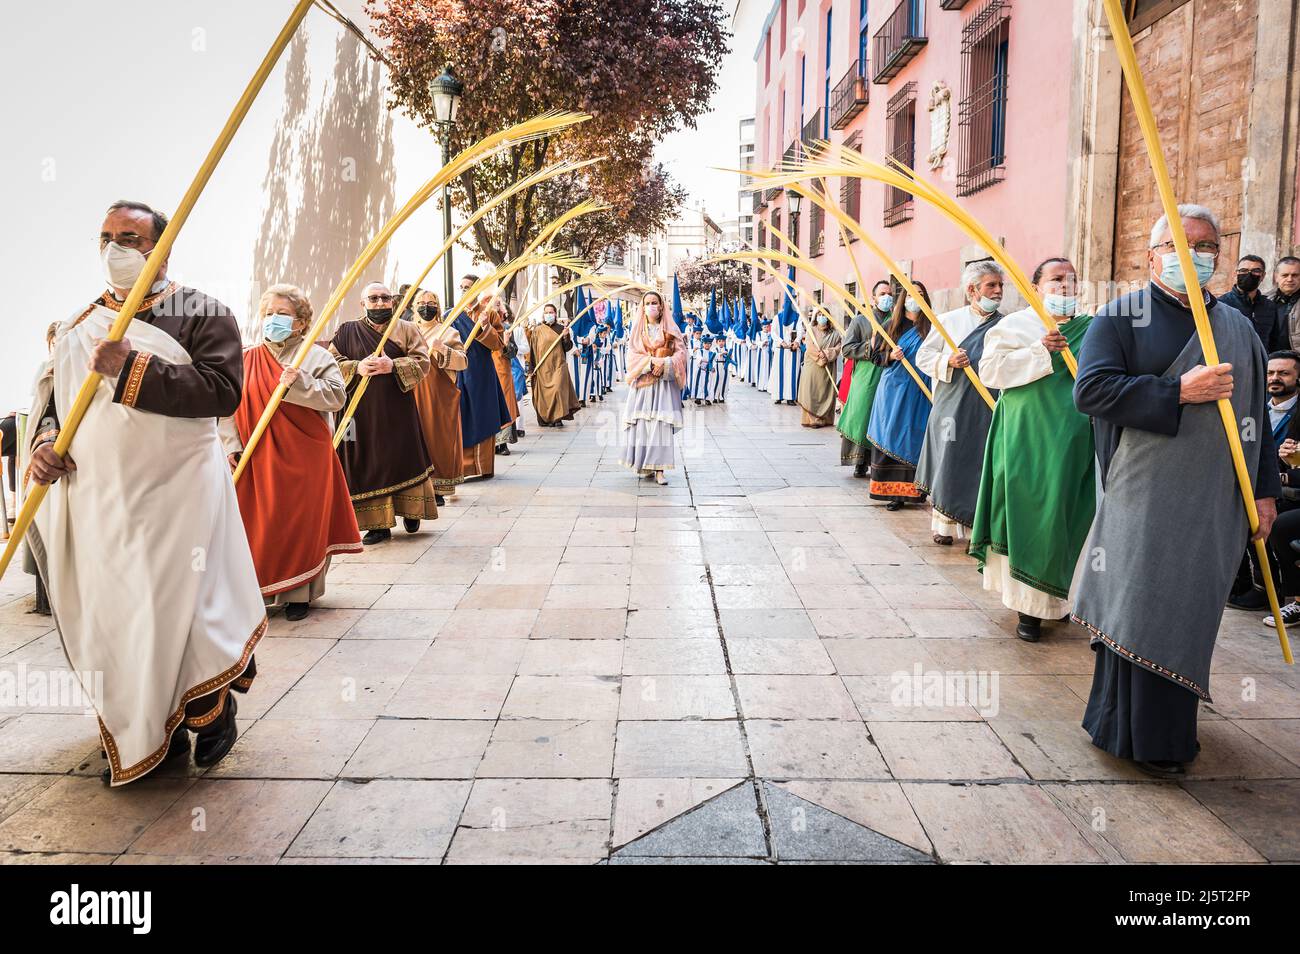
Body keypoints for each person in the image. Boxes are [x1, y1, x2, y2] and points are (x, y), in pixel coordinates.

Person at [25, 199, 264, 785]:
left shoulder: (204, 314)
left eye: (130, 238)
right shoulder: (81, 325)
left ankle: (210, 715)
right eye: (106, 236)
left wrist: (134, 365)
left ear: (162, 247)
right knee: (125, 619)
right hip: (104, 503)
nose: (115, 248)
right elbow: (55, 404)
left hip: (178, 499)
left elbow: (220, 392)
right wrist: (46, 442)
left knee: (179, 610)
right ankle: (147, 732)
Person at [1073, 203, 1278, 778]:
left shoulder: (1237, 326)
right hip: (1144, 495)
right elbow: (1090, 392)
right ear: (1152, 255)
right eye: (1181, 245)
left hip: (1213, 501)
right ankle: (1126, 730)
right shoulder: (1122, 315)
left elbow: (1256, 415)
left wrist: (1263, 494)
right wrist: (1176, 392)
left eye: (1208, 245)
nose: (1196, 255)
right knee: (1138, 605)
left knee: (1188, 613)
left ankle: (1171, 731)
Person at [968, 259, 1095, 642]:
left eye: (1072, 279)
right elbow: (990, 373)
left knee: (1070, 514)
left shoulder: (1095, 328)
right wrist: (1041, 351)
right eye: (1056, 279)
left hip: (1077, 438)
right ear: (1036, 286)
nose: (1065, 285)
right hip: (1025, 436)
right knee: (1030, 514)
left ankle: (1064, 601)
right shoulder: (1014, 326)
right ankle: (1030, 609)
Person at [222, 284, 361, 622]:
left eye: (282, 314)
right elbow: (229, 408)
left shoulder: (315, 357)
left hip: (306, 458)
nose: (273, 320)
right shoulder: (245, 359)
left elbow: (336, 398)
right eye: (269, 314)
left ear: (300, 322)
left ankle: (300, 593)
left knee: (300, 523)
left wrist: (298, 384)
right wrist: (231, 446)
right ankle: (263, 588)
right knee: (261, 523)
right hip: (256, 455)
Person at [330, 282, 439, 544]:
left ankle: (410, 510)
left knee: (402, 456)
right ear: (363, 304)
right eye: (374, 299)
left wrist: (393, 365)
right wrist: (357, 367)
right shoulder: (346, 331)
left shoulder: (406, 329)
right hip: (358, 411)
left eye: (384, 298)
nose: (379, 303)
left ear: (392, 301)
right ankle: (377, 525)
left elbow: (423, 362)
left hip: (396, 408)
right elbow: (332, 362)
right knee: (364, 460)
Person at [915, 262, 1005, 545]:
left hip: (987, 404)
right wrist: (948, 361)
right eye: (991, 285)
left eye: (1000, 285)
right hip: (952, 405)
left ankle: (976, 527)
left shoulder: (1006, 323)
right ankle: (942, 525)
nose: (998, 291)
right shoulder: (949, 321)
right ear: (972, 290)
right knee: (949, 461)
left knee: (979, 462)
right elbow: (923, 357)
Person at [864, 283, 934, 509]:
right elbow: (875, 357)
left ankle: (915, 490)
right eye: (912, 295)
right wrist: (891, 356)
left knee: (914, 435)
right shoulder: (890, 326)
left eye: (921, 295)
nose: (916, 299)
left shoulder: (932, 326)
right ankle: (893, 493)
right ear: (904, 298)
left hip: (920, 391)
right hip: (893, 390)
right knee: (891, 434)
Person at [619, 291, 687, 485]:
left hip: (663, 385)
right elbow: (632, 355)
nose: (651, 306)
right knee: (643, 426)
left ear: (661, 306)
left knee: (661, 426)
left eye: (654, 302)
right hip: (643, 384)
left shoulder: (671, 330)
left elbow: (681, 354)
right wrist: (650, 363)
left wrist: (665, 363)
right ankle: (645, 465)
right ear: (642, 306)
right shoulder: (638, 330)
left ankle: (659, 470)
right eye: (647, 303)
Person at [411, 290, 469, 504]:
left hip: (438, 396)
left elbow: (463, 361)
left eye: (431, 302)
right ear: (414, 306)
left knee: (435, 440)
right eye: (422, 302)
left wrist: (442, 349)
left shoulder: (448, 332)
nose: (426, 306)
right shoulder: (407, 331)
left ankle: (437, 488)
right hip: (410, 393)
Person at [453, 274, 512, 479]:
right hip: (460, 371)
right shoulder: (451, 315)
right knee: (462, 418)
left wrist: (485, 326)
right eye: (461, 286)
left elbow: (498, 345)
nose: (463, 290)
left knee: (484, 415)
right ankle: (462, 468)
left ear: (477, 288)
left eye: (467, 286)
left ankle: (483, 467)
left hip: (482, 372)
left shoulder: (490, 313)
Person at [838, 281, 894, 476]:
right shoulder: (860, 321)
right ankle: (859, 461)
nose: (887, 297)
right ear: (874, 298)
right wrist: (869, 345)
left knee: (882, 416)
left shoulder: (896, 319)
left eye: (890, 293)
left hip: (888, 372)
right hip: (865, 374)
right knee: (861, 415)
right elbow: (846, 349)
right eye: (882, 293)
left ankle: (880, 461)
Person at [1261, 350, 1300, 627]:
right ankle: (1262, 589)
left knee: (1279, 524)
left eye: (1284, 373)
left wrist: (1287, 472)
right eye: (1271, 372)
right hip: (1285, 485)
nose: (1275, 378)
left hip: (1290, 489)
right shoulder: (1258, 407)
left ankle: (1292, 600)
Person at [526, 302, 581, 427]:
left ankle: (558, 417)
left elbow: (567, 347)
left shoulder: (561, 329)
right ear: (543, 314)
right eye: (546, 312)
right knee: (545, 395)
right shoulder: (537, 330)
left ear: (555, 314)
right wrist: (531, 368)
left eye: (551, 312)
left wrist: (566, 337)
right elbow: (533, 350)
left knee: (557, 390)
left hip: (558, 366)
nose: (549, 314)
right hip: (542, 367)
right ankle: (548, 418)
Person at [1220, 254, 1285, 352]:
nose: (1249, 274)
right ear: (1235, 274)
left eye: (1256, 271)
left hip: (1262, 363)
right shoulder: (1222, 304)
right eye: (1243, 270)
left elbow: (1274, 341)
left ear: (1263, 276)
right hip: (1232, 363)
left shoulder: (1270, 306)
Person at [487, 298, 521, 455]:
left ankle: (503, 443)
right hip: (487, 372)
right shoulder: (480, 329)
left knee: (505, 405)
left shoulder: (507, 328)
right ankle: (490, 443)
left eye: (498, 306)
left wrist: (507, 343)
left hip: (503, 373)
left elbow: (512, 353)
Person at [797, 313, 841, 427]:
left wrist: (826, 354)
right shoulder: (811, 330)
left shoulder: (835, 334)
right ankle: (811, 420)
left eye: (824, 315)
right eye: (820, 315)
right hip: (812, 365)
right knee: (811, 391)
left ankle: (824, 419)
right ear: (816, 317)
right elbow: (809, 346)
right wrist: (819, 355)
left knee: (825, 393)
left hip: (828, 367)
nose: (822, 317)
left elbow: (838, 348)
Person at [1274, 256, 1300, 348]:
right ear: (1276, 277)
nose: (1289, 279)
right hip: (1268, 359)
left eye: (1295, 275)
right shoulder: (1264, 300)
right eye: (1285, 275)